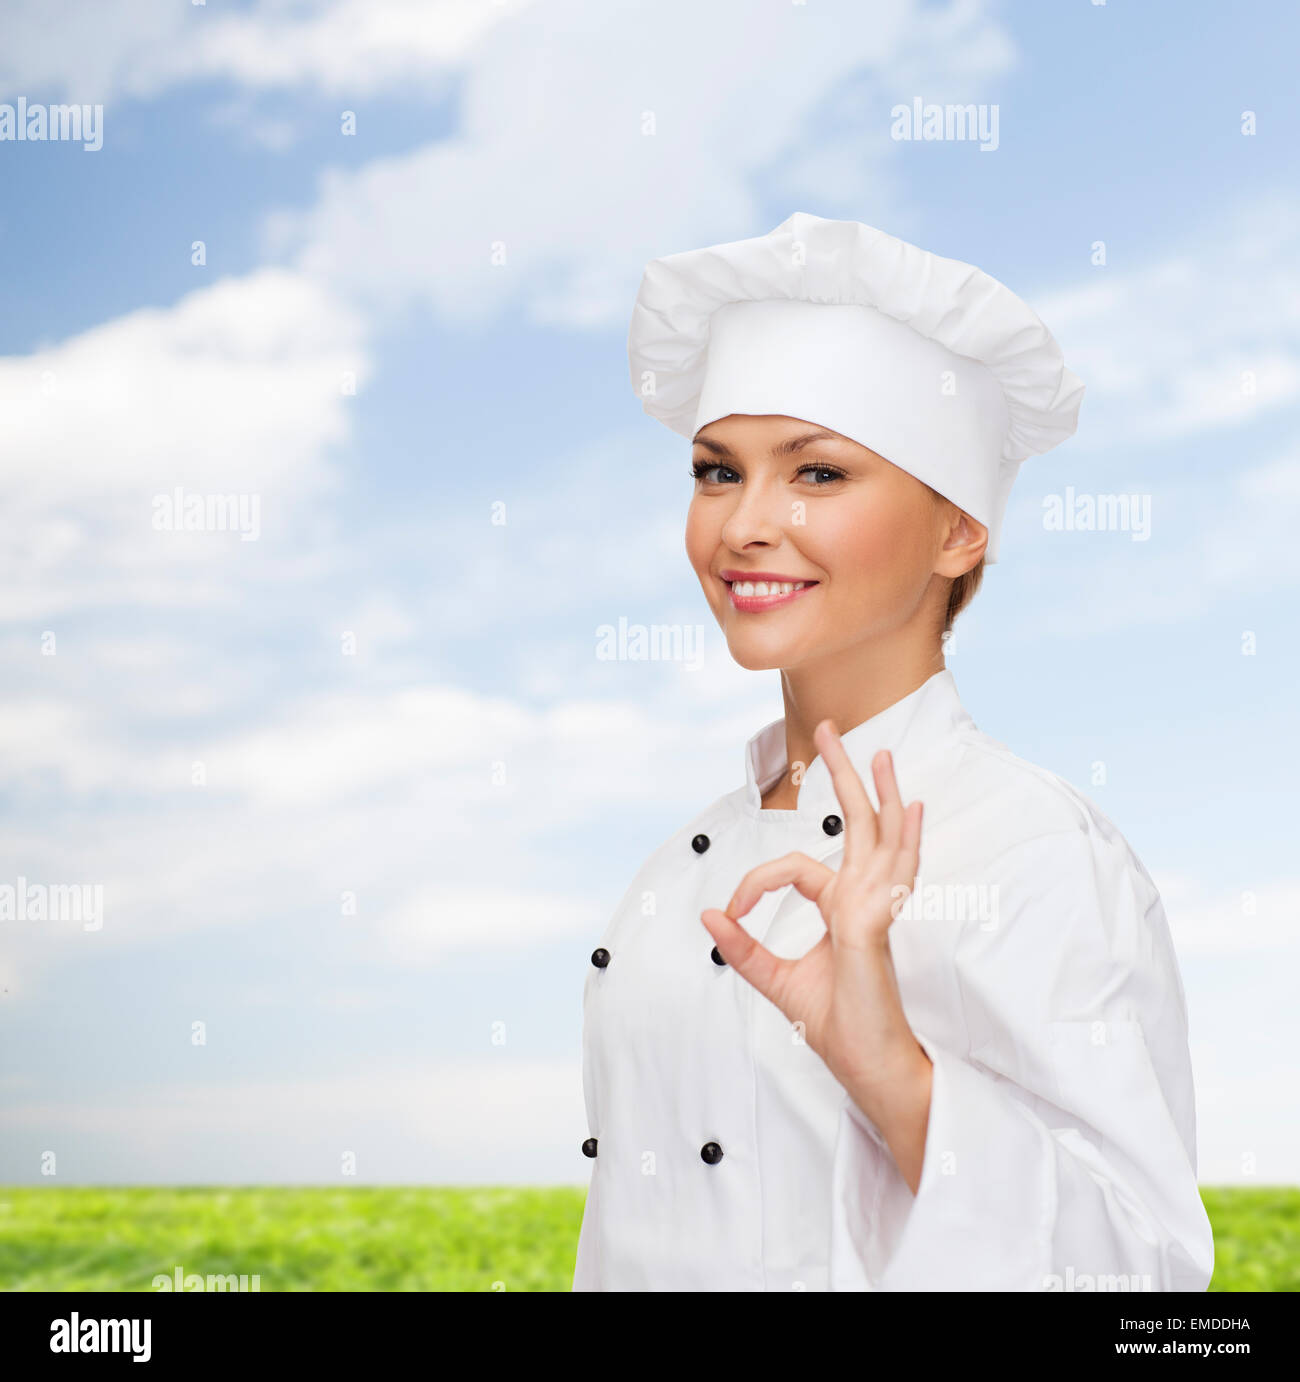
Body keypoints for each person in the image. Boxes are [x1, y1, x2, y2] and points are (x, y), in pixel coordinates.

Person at [572, 212, 1213, 1291]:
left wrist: (892, 1076)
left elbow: (1138, 1282)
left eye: (817, 474)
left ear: (959, 530)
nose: (743, 526)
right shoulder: (673, 870)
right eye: (717, 472)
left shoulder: (1029, 846)